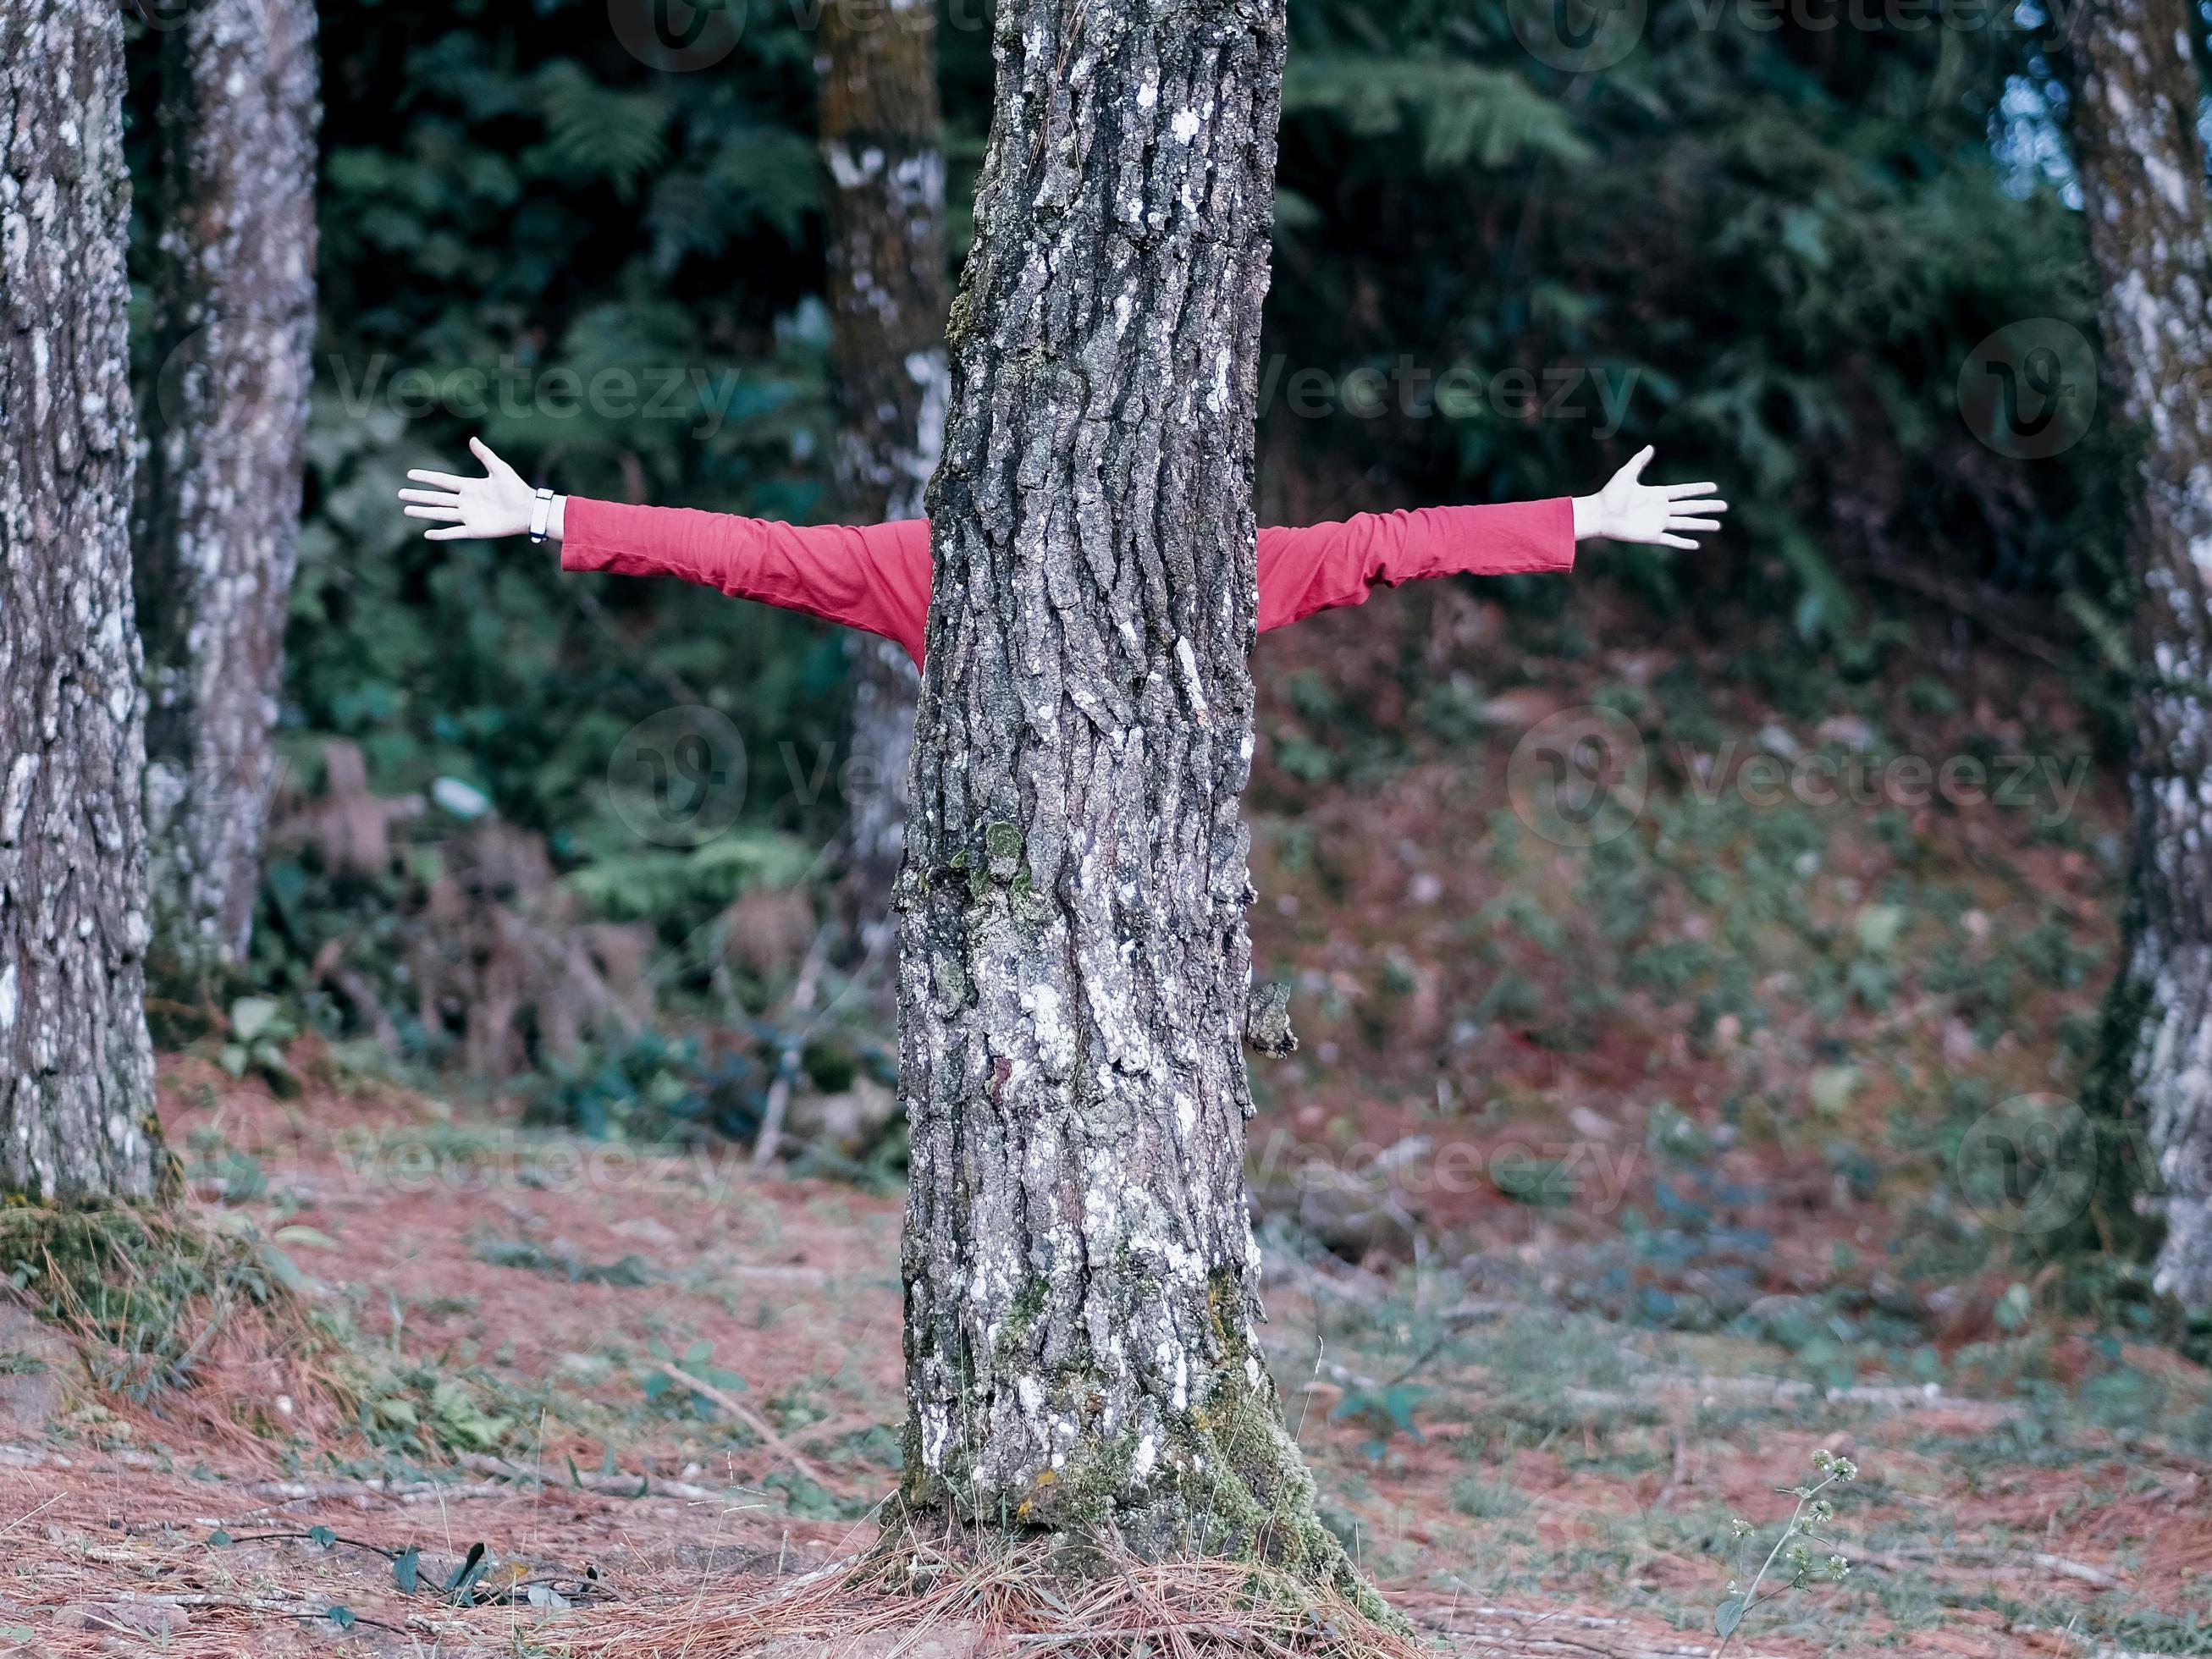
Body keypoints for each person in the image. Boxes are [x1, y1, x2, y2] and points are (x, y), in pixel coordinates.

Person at [397, 438, 1726, 664]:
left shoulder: (1209, 567)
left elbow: (1388, 545)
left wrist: (1577, 521)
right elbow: (750, 553)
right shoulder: (923, 567)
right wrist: (553, 515)